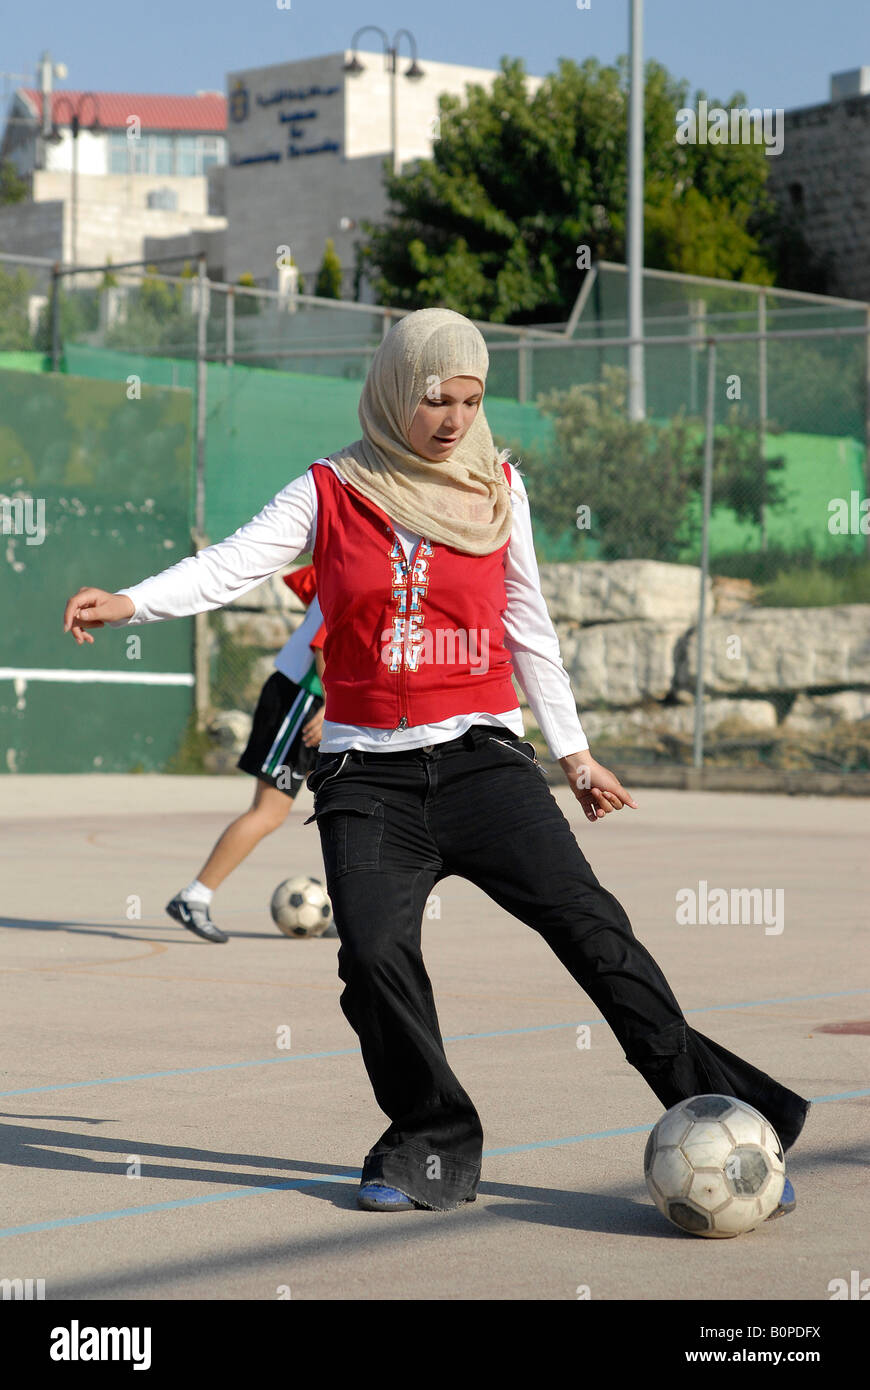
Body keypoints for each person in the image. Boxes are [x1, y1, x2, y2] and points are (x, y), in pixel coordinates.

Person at [63, 307, 808, 1217]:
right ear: (391, 392)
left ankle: (738, 1125)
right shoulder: (330, 488)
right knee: (372, 955)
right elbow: (229, 565)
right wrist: (129, 603)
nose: (453, 419)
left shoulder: (497, 488)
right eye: (433, 400)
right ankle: (428, 1142)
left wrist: (573, 755)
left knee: (598, 939)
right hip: (366, 778)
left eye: (470, 399)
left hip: (485, 765)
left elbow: (529, 627)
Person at [165, 564, 328, 943]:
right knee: (269, 812)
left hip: (324, 702)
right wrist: (331, 703)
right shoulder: (367, 565)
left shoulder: (354, 559)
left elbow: (303, 580)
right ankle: (195, 896)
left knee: (344, 805)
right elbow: (323, 640)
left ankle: (350, 908)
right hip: (304, 703)